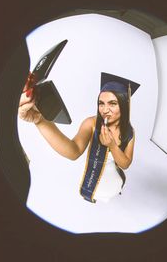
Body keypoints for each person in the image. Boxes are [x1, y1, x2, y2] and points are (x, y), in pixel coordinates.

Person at [18, 72, 140, 203]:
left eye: (112, 103)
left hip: (115, 182)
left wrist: (112, 146)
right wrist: (40, 121)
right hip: (91, 183)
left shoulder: (129, 131)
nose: (105, 109)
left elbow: (125, 164)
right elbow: (73, 152)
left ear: (123, 104)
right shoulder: (91, 124)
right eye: (101, 103)